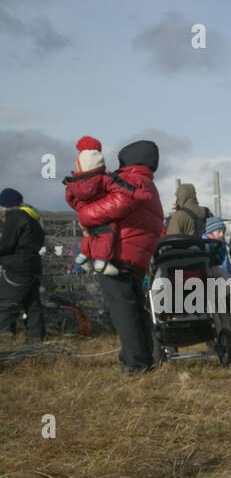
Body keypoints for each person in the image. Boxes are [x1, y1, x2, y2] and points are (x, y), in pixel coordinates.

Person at [73, 140, 164, 372]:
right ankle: (148, 357)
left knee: (123, 311)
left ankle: (136, 364)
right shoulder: (147, 183)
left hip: (117, 254)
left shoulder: (130, 181)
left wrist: (84, 215)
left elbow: (109, 208)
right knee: (135, 308)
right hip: (136, 256)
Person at [61, 136, 120, 276]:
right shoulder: (104, 179)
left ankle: (82, 256)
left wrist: (80, 208)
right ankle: (101, 261)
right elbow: (117, 189)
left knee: (89, 234)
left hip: (84, 214)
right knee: (106, 234)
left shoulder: (74, 183)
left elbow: (69, 197)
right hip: (100, 213)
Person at [0, 188, 47, 343]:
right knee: (32, 305)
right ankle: (36, 341)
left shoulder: (14, 218)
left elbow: (6, 245)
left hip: (16, 268)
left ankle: (5, 340)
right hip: (33, 267)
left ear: (5, 204)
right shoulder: (33, 218)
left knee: (6, 304)